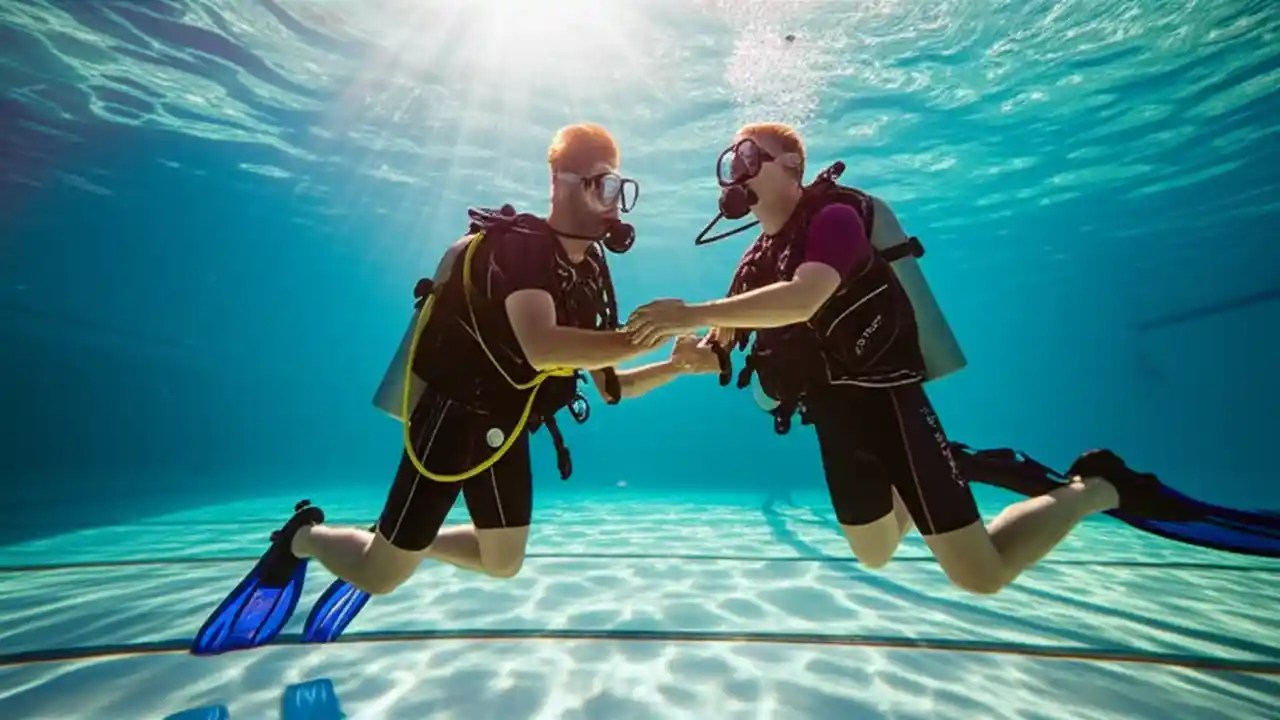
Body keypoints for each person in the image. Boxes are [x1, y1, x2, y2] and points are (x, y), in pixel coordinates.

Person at [191, 123, 723, 655]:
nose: (617, 205)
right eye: (605, 186)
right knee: (380, 577)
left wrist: (676, 366)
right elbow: (543, 347)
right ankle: (302, 538)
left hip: (507, 426)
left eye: (621, 189)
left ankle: (395, 538)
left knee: (502, 560)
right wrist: (649, 335)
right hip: (453, 421)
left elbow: (612, 388)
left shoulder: (588, 273)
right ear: (563, 184)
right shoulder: (522, 251)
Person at [623, 122, 1177, 596]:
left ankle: (1098, 485)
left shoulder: (833, 218)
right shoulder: (753, 263)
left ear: (791, 166)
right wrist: (687, 358)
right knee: (874, 552)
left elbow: (805, 296)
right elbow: (720, 347)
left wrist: (689, 312)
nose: (735, 172)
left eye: (747, 157)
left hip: (887, 403)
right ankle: (954, 465)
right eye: (728, 162)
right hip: (831, 419)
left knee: (980, 575)